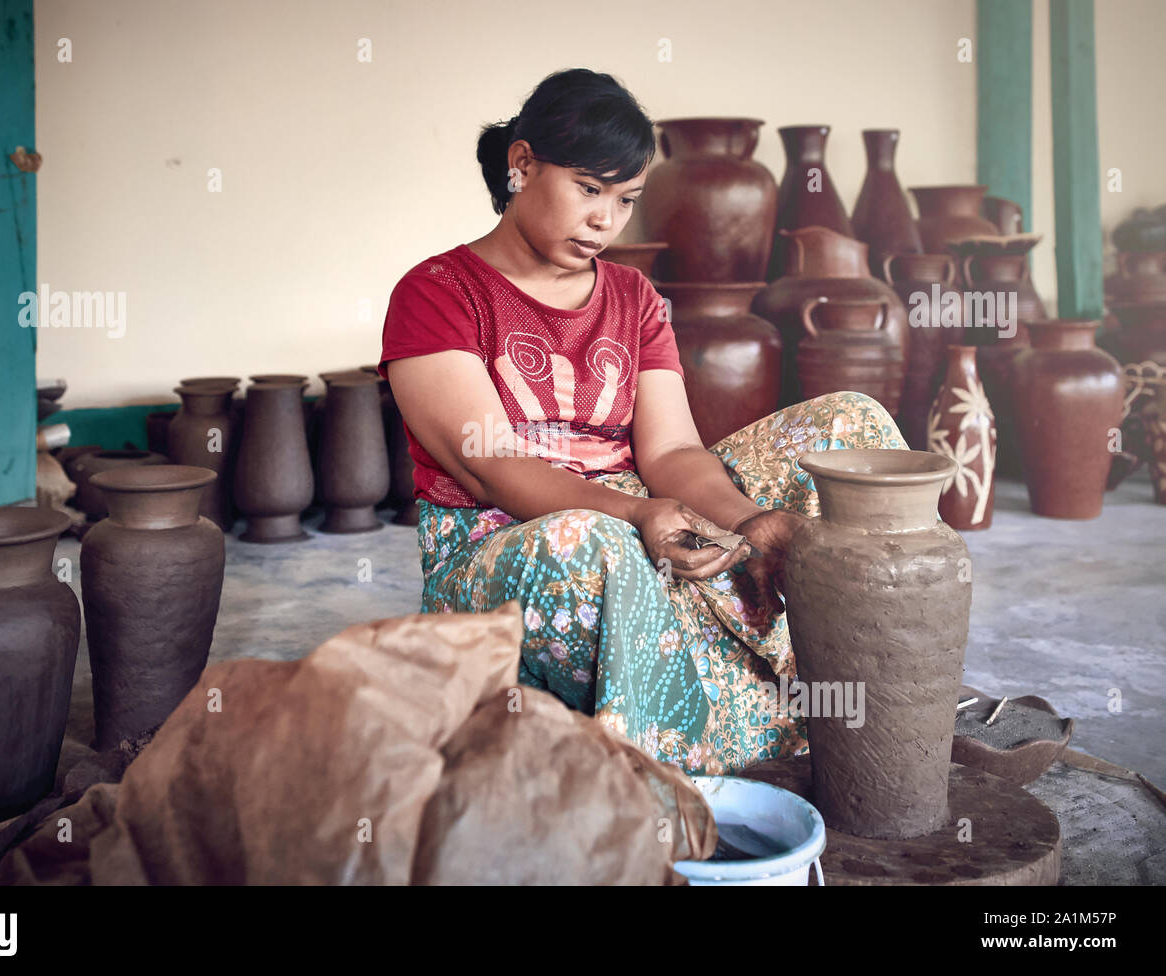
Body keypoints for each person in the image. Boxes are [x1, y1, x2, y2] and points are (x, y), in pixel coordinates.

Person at [377, 68, 906, 774]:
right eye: (589, 189)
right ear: (523, 164)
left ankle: (871, 691)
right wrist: (637, 515)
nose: (605, 219)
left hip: (641, 512)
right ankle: (699, 740)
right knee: (590, 542)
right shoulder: (436, 294)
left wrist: (748, 522)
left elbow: (674, 452)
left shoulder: (633, 296)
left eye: (625, 199)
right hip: (508, 544)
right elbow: (488, 464)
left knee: (852, 424)